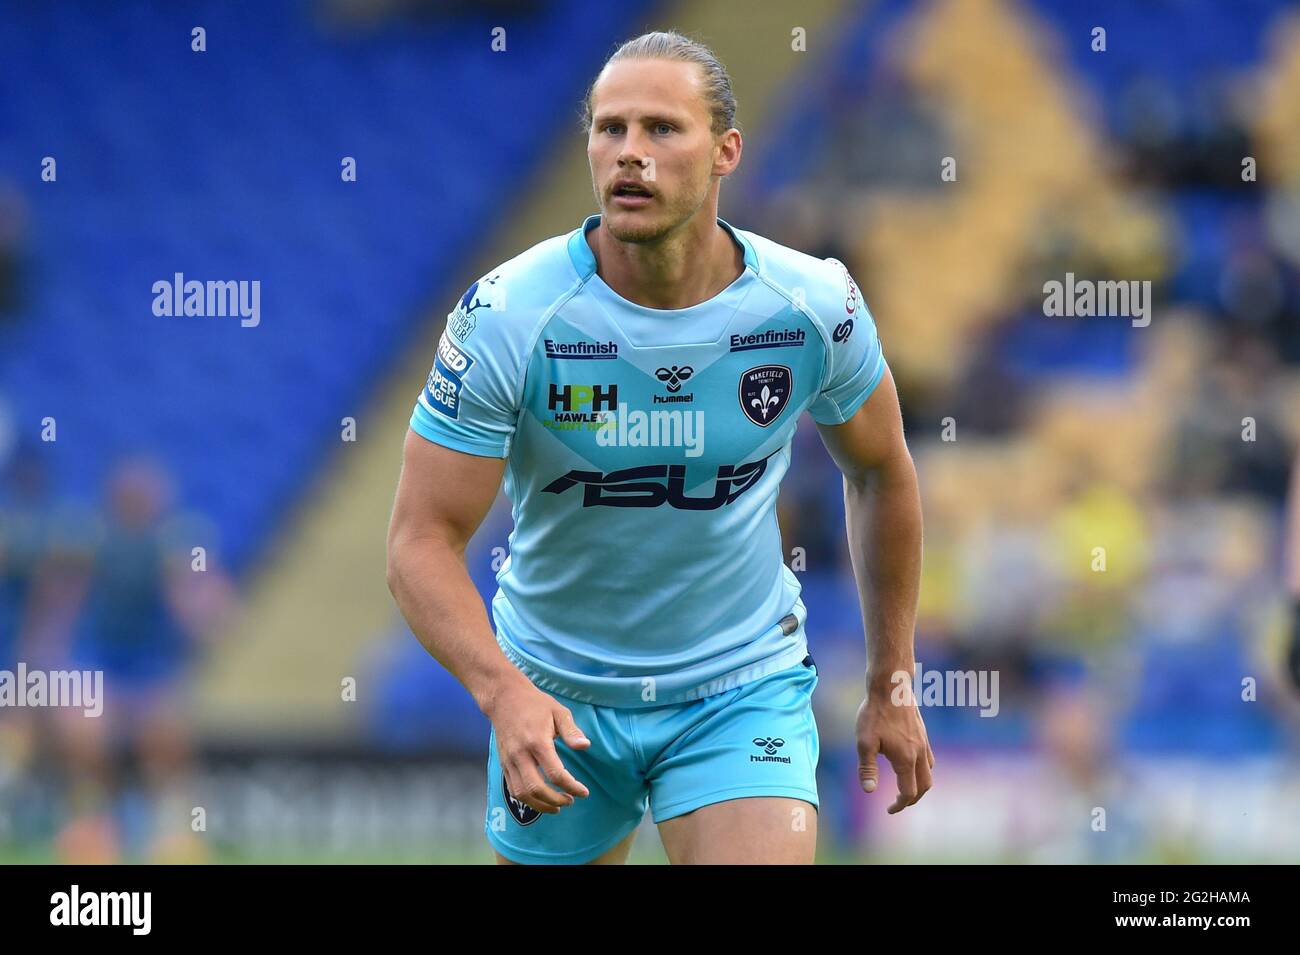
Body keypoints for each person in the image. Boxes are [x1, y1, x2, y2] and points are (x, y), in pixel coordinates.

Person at [386, 31, 931, 865]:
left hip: (739, 687)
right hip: (555, 697)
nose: (629, 154)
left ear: (725, 152)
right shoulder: (508, 316)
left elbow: (882, 470)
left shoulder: (810, 305)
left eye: (660, 130)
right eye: (610, 130)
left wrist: (893, 680)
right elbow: (418, 540)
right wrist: (502, 691)